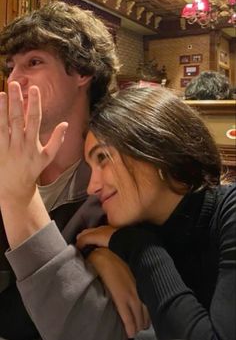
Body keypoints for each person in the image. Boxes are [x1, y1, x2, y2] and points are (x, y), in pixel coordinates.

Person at [0, 2, 148, 340]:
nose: (13, 80)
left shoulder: (117, 179)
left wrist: (116, 251)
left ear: (82, 72)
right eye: (10, 67)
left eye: (33, 62)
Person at [76, 85, 236, 340]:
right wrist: (100, 256)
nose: (92, 186)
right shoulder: (134, 228)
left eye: (103, 158)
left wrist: (139, 248)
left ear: (154, 147)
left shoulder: (230, 213)